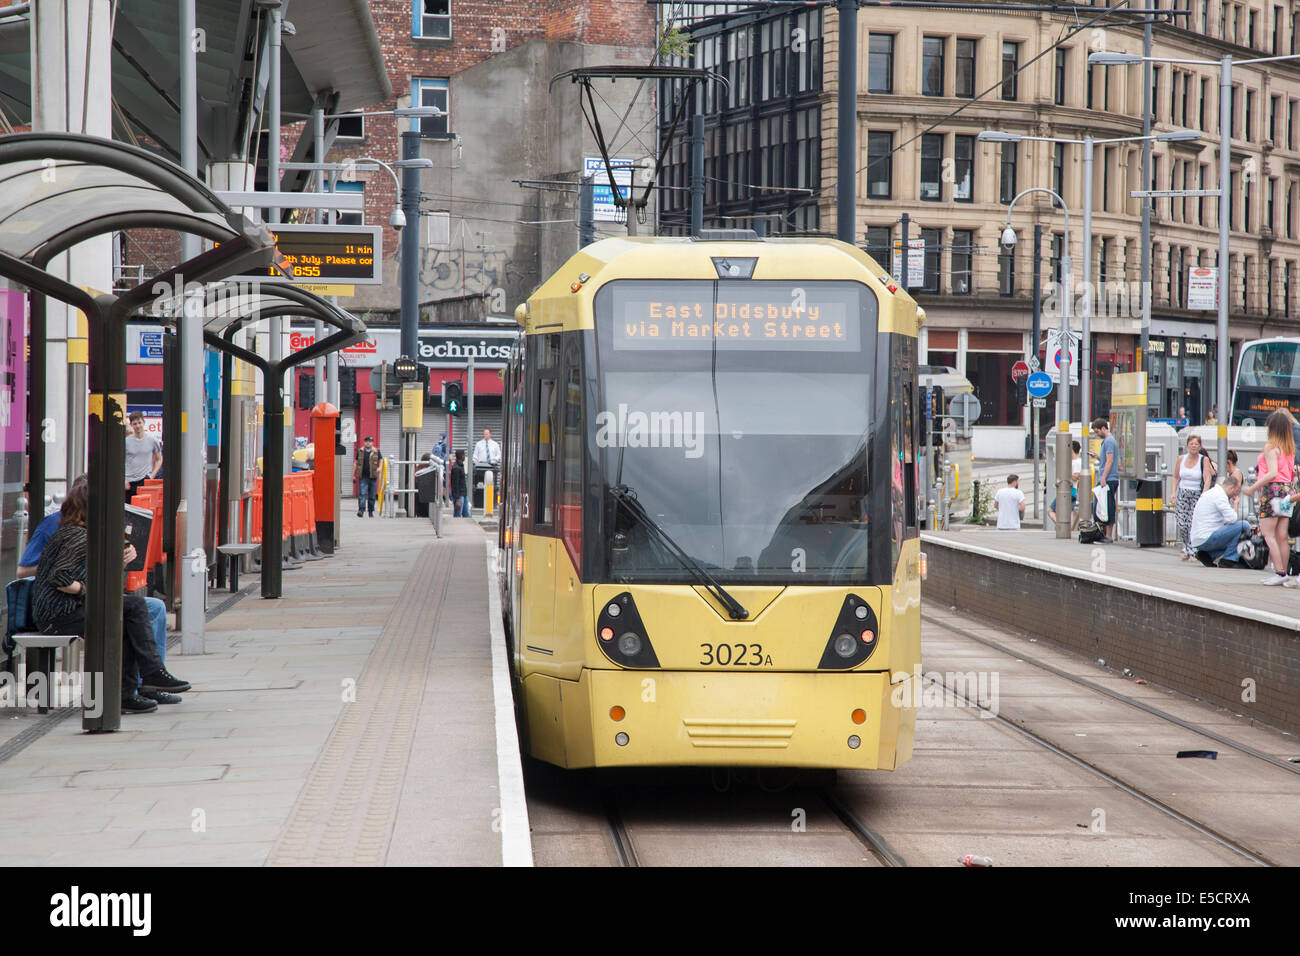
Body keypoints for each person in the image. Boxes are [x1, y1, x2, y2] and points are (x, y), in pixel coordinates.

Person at [32, 478, 190, 714]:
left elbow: (98, 577)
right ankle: (151, 673)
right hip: (59, 614)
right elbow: (60, 578)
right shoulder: (78, 537)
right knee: (134, 607)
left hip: (65, 610)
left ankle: (130, 691)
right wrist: (87, 591)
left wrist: (120, 561)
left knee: (128, 617)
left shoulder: (76, 533)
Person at [1243, 408, 1298, 586]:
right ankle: (1285, 572)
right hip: (1287, 492)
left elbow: (1271, 473)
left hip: (1272, 492)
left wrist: (1252, 488)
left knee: (1268, 534)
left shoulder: (1270, 447)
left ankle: (1279, 571)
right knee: (1282, 535)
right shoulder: (1290, 449)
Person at [1189, 474, 1251, 567]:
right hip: (1206, 538)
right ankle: (1229, 560)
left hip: (1198, 539)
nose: (1235, 495)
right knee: (1244, 525)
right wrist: (1235, 504)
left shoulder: (1211, 492)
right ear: (1231, 488)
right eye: (1236, 492)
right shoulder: (1220, 496)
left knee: (1234, 535)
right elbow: (1233, 519)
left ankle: (1209, 555)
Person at [1170, 434, 1214, 560]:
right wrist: (1173, 492)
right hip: (1183, 493)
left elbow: (1207, 478)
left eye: (1196, 444)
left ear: (1200, 446)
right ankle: (1189, 548)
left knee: (1192, 523)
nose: (1194, 446)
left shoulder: (1203, 460)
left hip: (1196, 494)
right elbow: (1175, 477)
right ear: (1187, 445)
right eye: (1191, 444)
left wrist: (1204, 495)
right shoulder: (1181, 459)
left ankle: (1192, 552)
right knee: (1182, 523)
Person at [1092, 418, 1120, 543]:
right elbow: (1107, 459)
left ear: (1104, 428)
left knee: (1107, 506)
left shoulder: (1109, 441)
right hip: (1108, 478)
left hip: (1108, 479)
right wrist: (1098, 456)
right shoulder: (1108, 441)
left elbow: (1110, 460)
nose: (1096, 434)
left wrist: (1103, 477)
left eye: (1097, 431)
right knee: (1102, 506)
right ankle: (1104, 534)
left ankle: (1108, 536)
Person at [124, 411, 162, 502]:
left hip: (144, 480)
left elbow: (159, 459)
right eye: (135, 424)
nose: (137, 426)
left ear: (144, 422)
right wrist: (123, 479)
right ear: (131, 425)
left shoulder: (153, 440)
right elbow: (119, 462)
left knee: (144, 510)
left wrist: (152, 475)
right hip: (129, 483)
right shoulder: (126, 442)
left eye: (139, 423)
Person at [1047, 441, 1083, 529]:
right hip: (1070, 491)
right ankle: (1063, 526)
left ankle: (1061, 526)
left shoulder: (1077, 462)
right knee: (1064, 512)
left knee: (1051, 510)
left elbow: (1076, 476)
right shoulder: (1073, 462)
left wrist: (1064, 473)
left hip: (1070, 491)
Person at [354, 436, 381, 518]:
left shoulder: (376, 451)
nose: (368, 443)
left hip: (373, 476)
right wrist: (353, 475)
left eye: (370, 441)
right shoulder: (360, 451)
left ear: (372, 442)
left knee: (372, 495)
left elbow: (381, 460)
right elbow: (355, 462)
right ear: (364, 442)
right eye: (366, 441)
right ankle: (361, 510)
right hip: (363, 476)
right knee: (362, 493)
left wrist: (380, 467)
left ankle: (370, 511)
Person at [450, 450, 469, 518]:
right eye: (464, 455)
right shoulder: (456, 468)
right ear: (461, 456)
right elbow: (455, 485)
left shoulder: (461, 466)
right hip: (459, 495)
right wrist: (457, 499)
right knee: (458, 515)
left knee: (466, 514)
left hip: (464, 494)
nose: (464, 457)